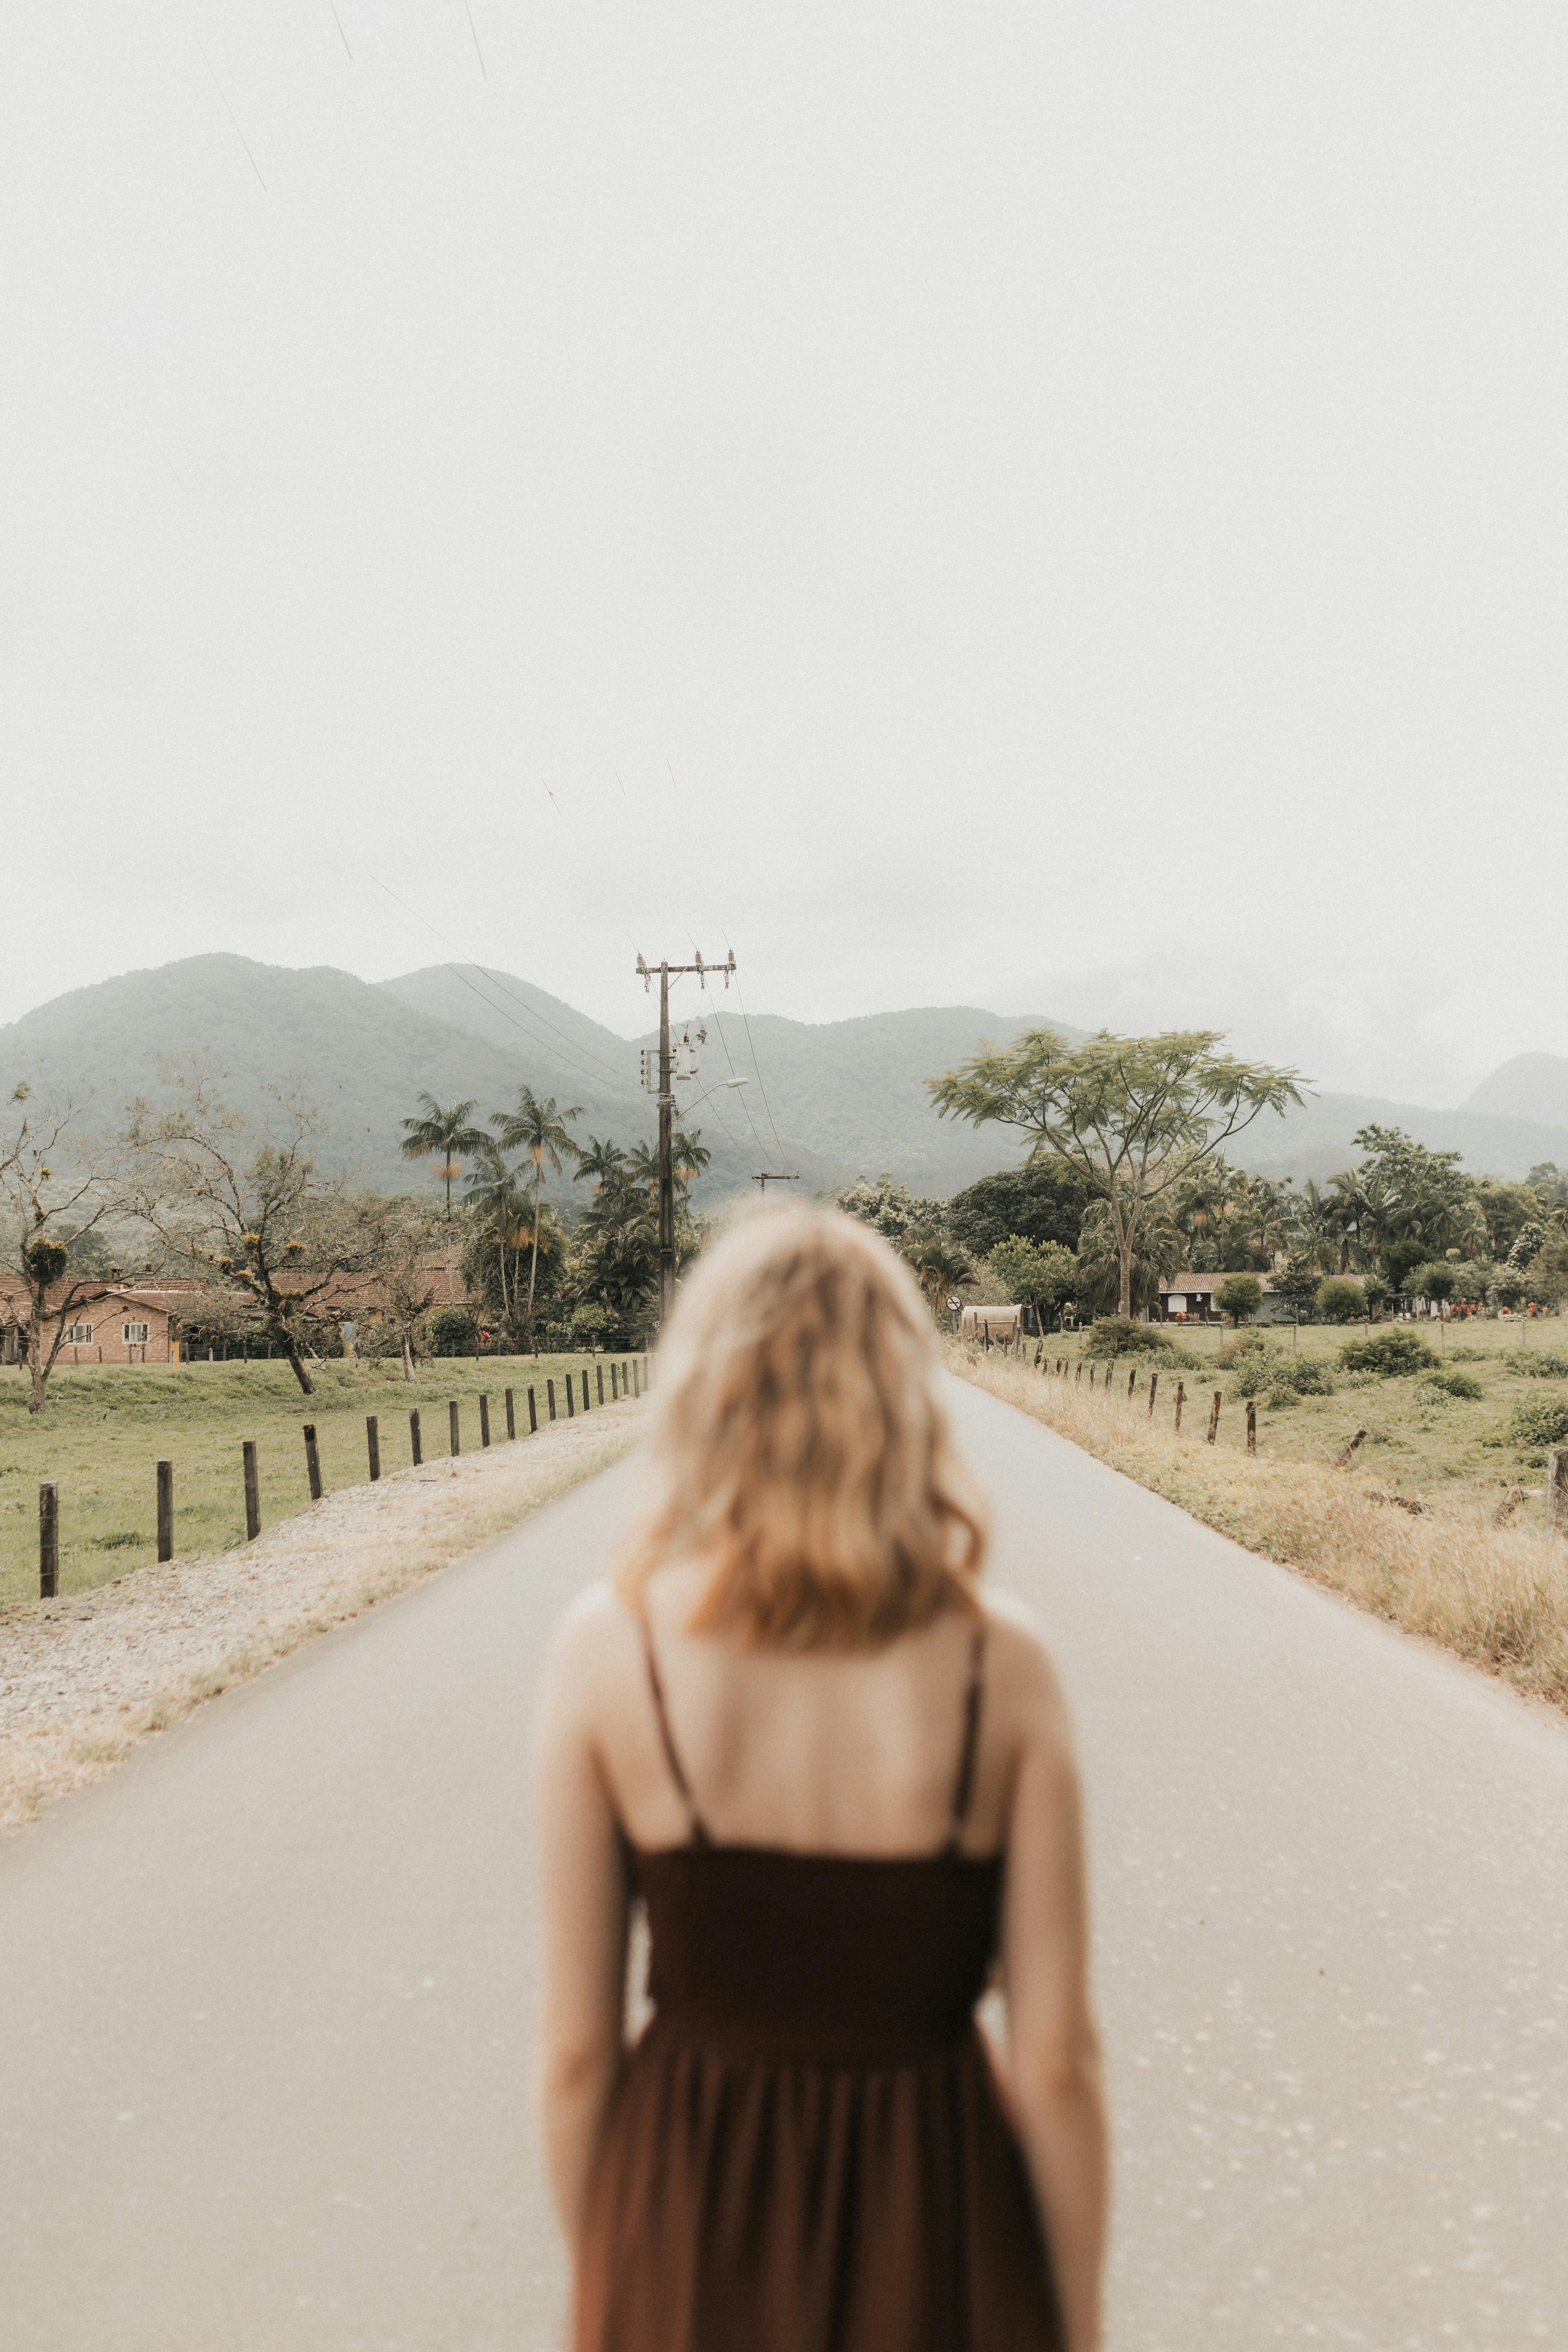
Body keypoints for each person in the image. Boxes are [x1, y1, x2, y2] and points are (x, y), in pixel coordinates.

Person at [535, 1204, 1108, 2351]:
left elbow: (575, 2054)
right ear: (906, 1397)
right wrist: (1074, 2321)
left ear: (703, 1394)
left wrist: (617, 2273)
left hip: (687, 2217)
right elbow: (1056, 2061)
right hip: (940, 2224)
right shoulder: (1005, 1667)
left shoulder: (613, 1653)